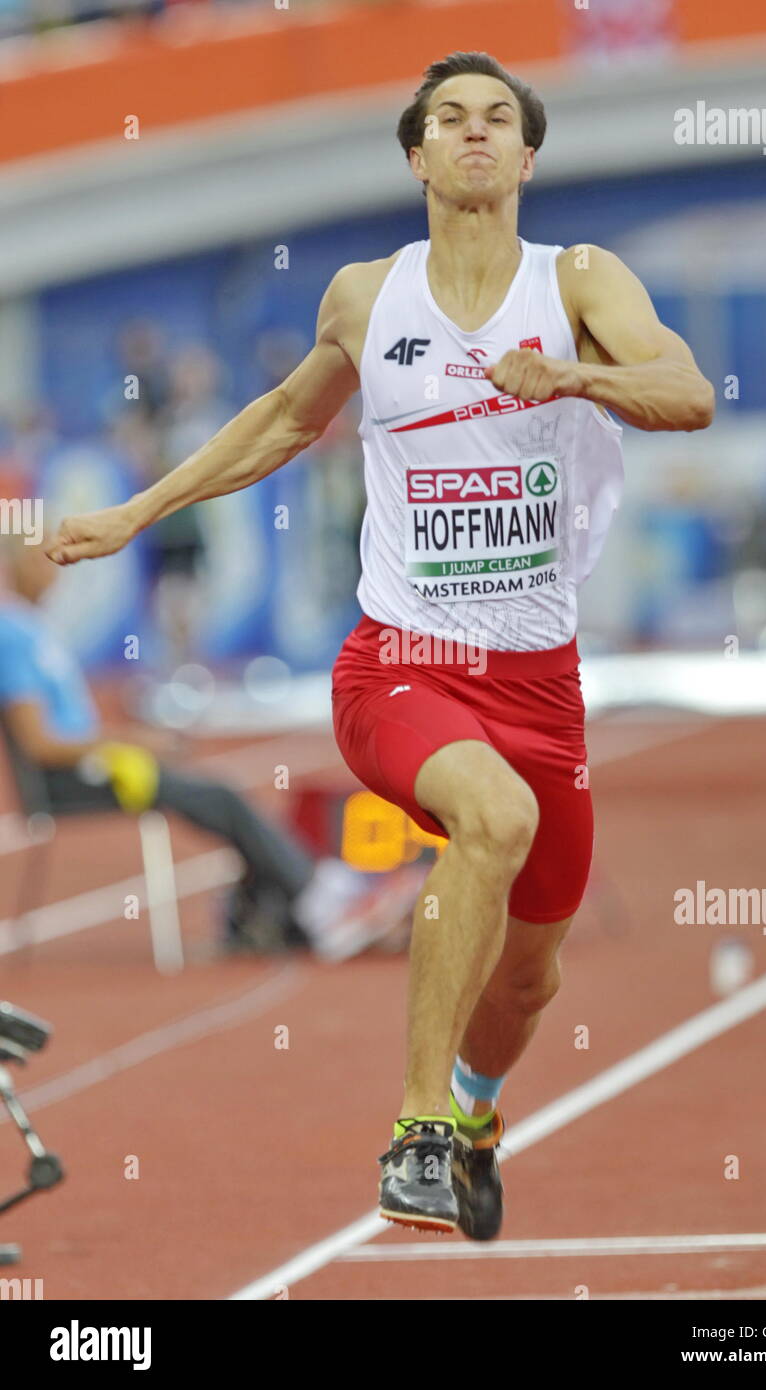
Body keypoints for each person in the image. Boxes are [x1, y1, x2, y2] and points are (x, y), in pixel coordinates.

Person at [44, 51, 714, 1239]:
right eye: (449, 119)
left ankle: (473, 1107)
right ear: (415, 155)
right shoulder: (366, 297)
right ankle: (414, 1132)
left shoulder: (577, 281)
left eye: (496, 119)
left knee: (527, 977)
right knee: (491, 821)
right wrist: (137, 514)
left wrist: (570, 374)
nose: (473, 134)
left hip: (537, 680)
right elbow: (280, 423)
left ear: (525, 156)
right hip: (401, 661)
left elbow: (685, 390)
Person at [0, 533, 404, 962]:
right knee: (221, 797)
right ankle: (316, 900)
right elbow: (40, 744)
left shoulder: (33, 629)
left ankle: (287, 901)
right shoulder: (14, 634)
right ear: (15, 564)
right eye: (41, 560)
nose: (54, 571)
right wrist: (131, 740)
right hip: (69, 780)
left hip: (98, 767)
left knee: (219, 796)